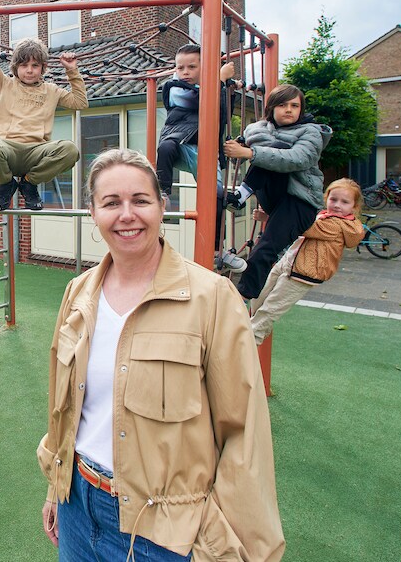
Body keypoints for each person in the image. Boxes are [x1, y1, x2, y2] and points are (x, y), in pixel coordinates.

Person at [37, 148, 284, 561]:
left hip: (163, 533)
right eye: (111, 203)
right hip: (77, 505)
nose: (126, 214)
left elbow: (244, 433)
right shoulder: (78, 294)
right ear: (93, 213)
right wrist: (56, 487)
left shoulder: (212, 298)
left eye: (140, 200)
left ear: (162, 207)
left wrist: (235, 548)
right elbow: (67, 409)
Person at [0, 2, 89, 211]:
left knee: (70, 150)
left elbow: (80, 102)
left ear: (43, 67)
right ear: (15, 67)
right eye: (24, 65)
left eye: (35, 65)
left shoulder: (52, 90)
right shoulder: (6, 84)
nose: (29, 70)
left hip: (36, 151)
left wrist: (72, 71)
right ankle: (6, 184)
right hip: (7, 148)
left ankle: (29, 183)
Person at [223, 84, 329, 300]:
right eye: (282, 105)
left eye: (294, 105)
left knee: (264, 249)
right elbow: (238, 152)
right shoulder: (258, 129)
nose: (288, 109)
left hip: (300, 201)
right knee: (270, 148)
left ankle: (242, 297)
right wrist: (234, 148)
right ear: (271, 108)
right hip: (273, 194)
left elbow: (298, 158)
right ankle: (241, 196)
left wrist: (250, 153)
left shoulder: (311, 132)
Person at [153, 43, 246, 274]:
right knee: (165, 148)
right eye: (180, 67)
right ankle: (162, 195)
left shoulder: (215, 87)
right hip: (180, 143)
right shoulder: (174, 87)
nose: (184, 72)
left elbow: (222, 110)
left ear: (206, 67)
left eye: (192, 67)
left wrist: (228, 87)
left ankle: (217, 250)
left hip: (204, 151)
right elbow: (196, 101)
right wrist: (218, 79)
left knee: (217, 196)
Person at [250, 178, 365, 345]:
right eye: (333, 199)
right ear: (326, 199)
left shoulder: (338, 225)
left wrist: (269, 215)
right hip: (289, 263)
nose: (337, 205)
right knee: (258, 295)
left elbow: (302, 227)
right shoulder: (325, 215)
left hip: (303, 273)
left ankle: (249, 341)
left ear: (354, 207)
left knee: (270, 309)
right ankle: (251, 329)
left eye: (345, 202)